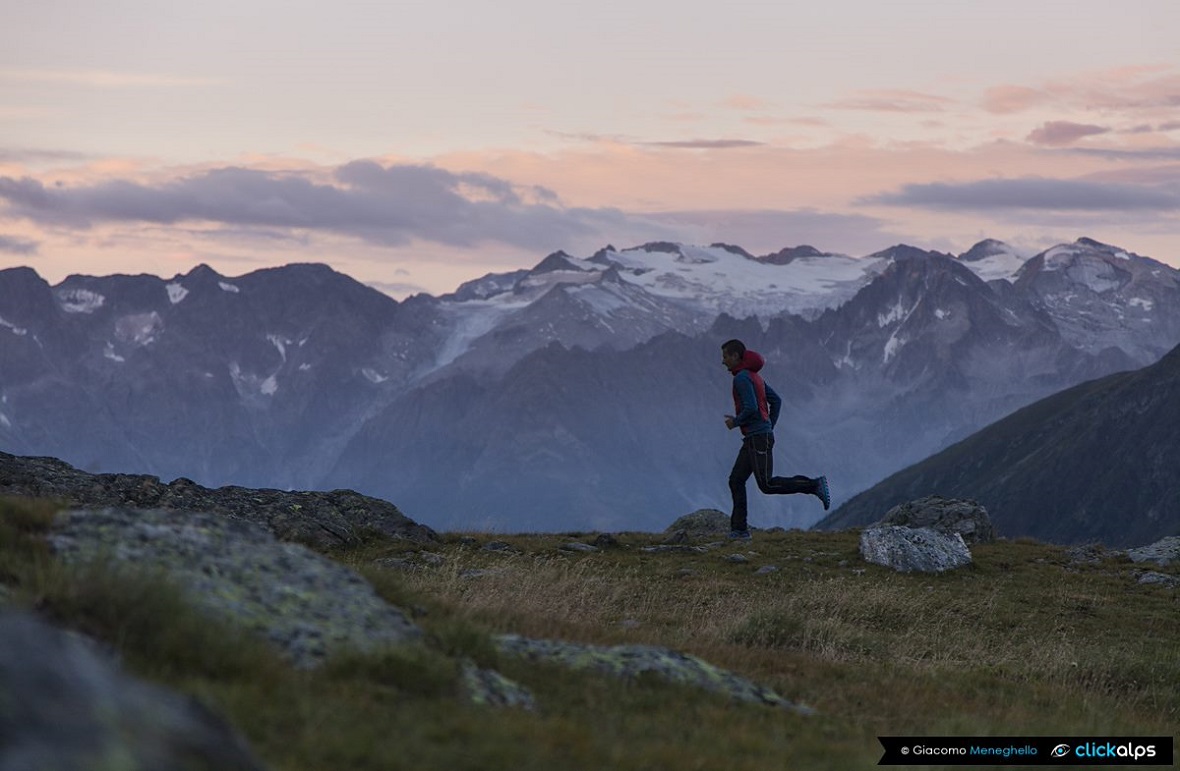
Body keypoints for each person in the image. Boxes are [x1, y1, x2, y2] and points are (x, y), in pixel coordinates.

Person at [721, 338, 829, 540]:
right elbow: (776, 401)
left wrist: (736, 422)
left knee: (767, 485)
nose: (723, 361)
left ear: (735, 356)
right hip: (756, 437)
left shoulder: (742, 379)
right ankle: (739, 530)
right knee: (736, 480)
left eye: (725, 356)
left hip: (757, 438)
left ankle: (814, 486)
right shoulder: (755, 377)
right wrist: (769, 426)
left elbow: (752, 408)